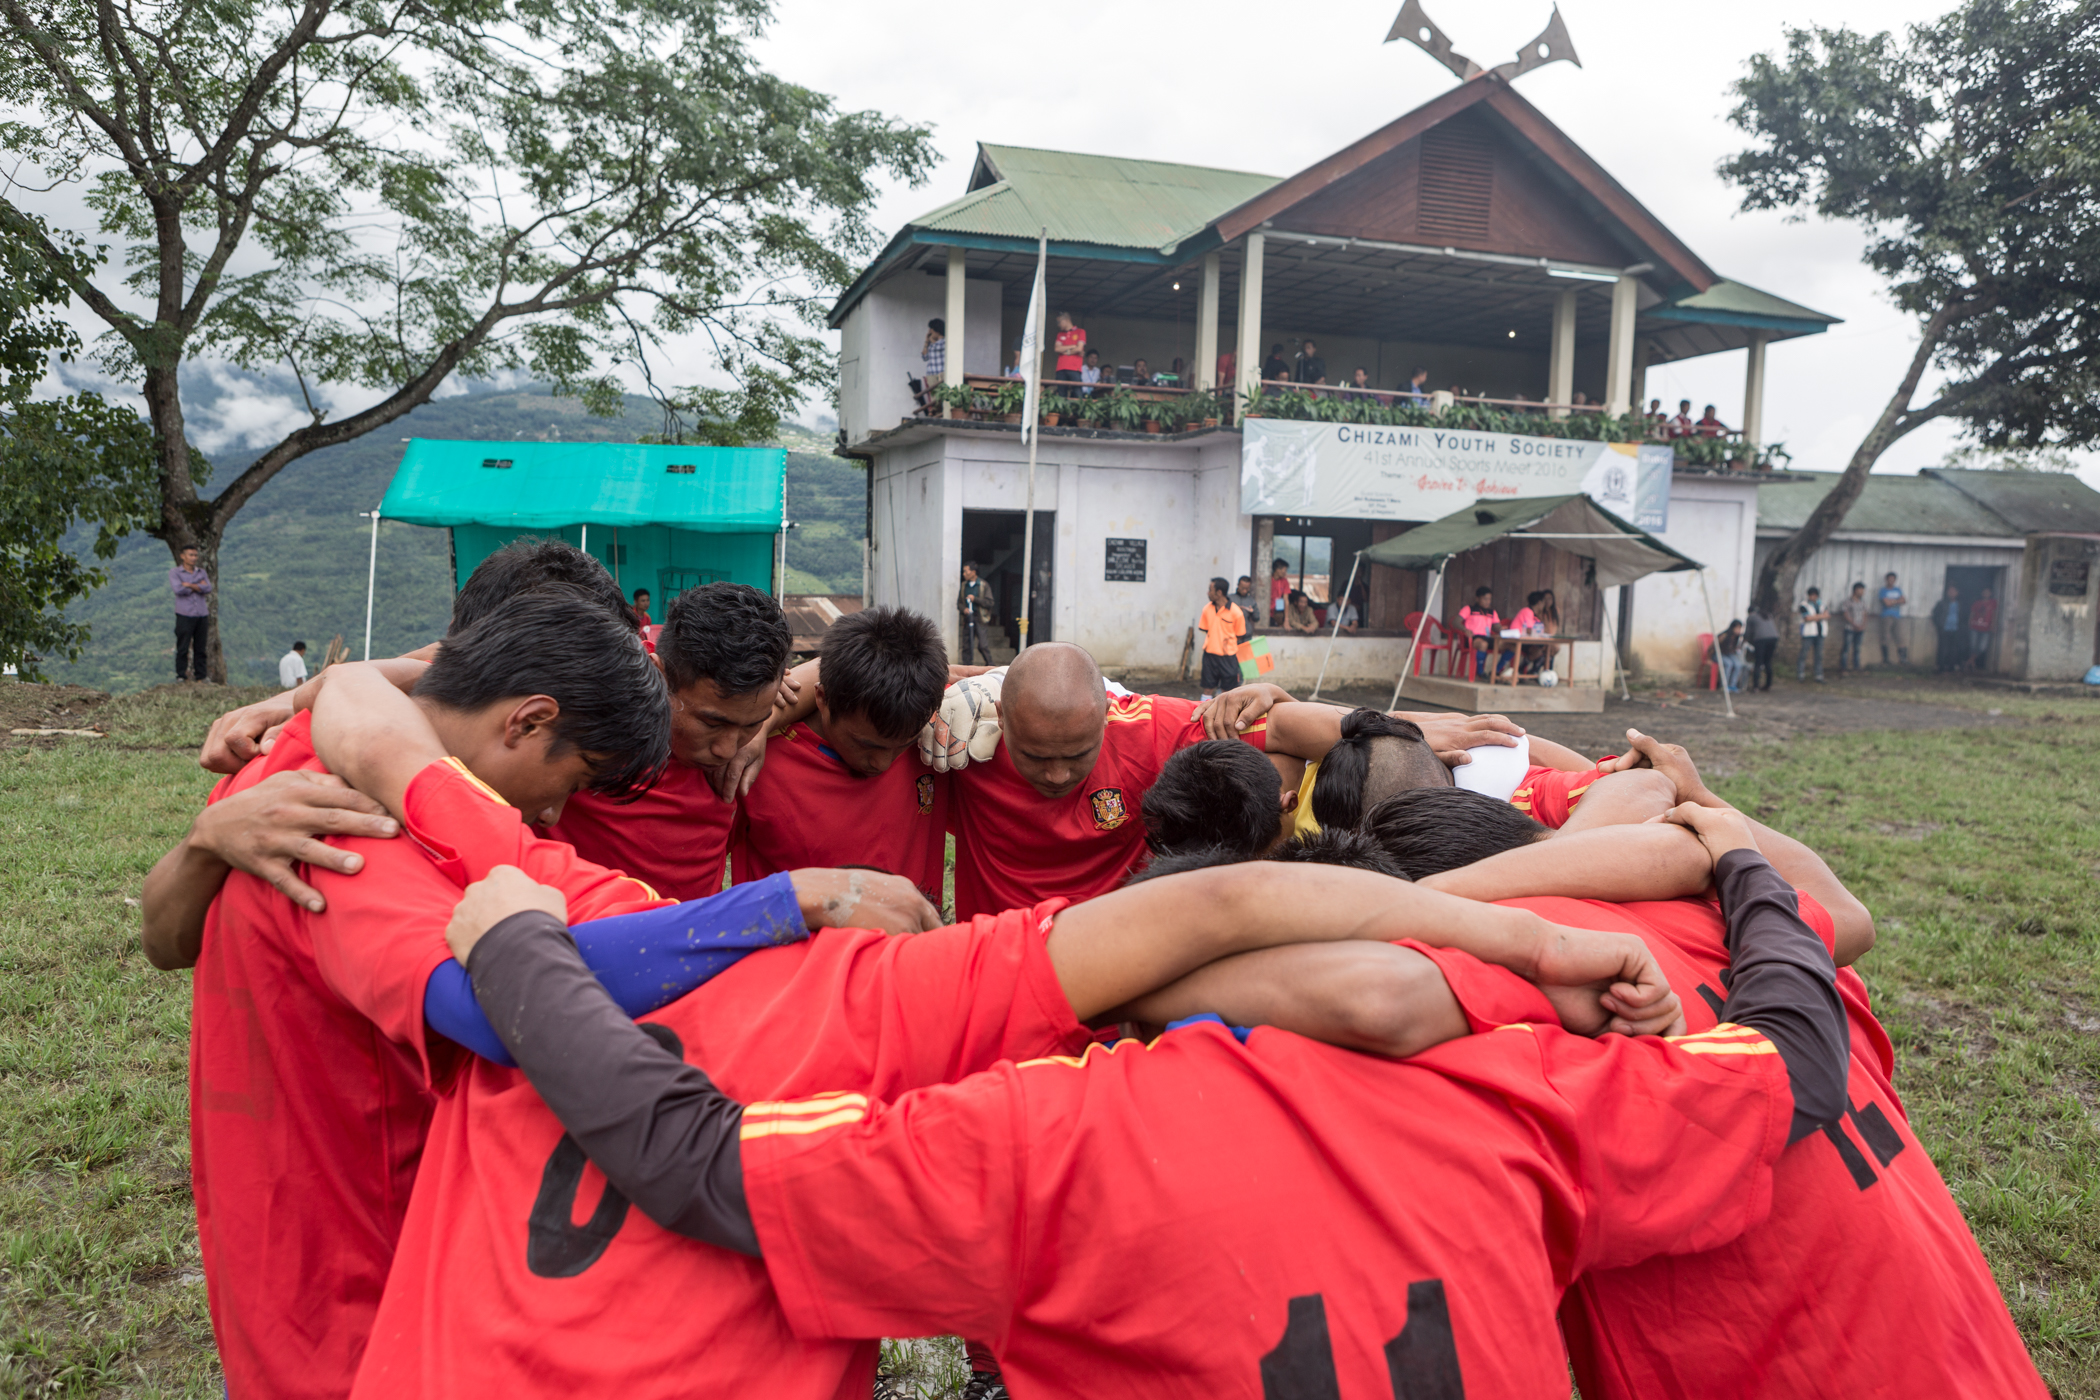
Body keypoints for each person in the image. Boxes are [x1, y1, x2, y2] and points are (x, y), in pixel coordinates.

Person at [441, 807, 1851, 1400]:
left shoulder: (1034, 1135)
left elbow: (691, 1160)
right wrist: (1734, 868)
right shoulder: (1514, 1088)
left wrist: (517, 952)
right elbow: (1793, 1067)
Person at [1196, 577, 1246, 702]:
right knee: (1207, 688)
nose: (1208, 593)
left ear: (1219, 592)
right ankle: (1203, 716)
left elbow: (1239, 634)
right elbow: (1206, 629)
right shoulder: (1207, 609)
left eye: (1210, 590)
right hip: (1210, 655)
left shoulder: (1236, 612)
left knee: (1228, 691)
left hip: (1228, 657)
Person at [170, 545, 213, 682]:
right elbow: (178, 590)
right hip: (184, 614)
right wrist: (198, 586)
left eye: (195, 555)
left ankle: (201, 676)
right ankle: (181, 675)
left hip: (201, 614)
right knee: (183, 646)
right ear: (183, 556)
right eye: (191, 555)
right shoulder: (175, 572)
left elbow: (208, 588)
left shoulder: (201, 572)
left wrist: (188, 585)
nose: (194, 558)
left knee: (200, 647)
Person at [1457, 584, 1503, 678]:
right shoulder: (1469, 609)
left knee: (1511, 646)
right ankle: (1480, 672)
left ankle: (1496, 671)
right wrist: (1465, 630)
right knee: (1483, 644)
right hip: (1472, 638)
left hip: (1487, 637)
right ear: (1477, 599)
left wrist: (1501, 629)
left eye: (1489, 599)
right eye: (1485, 599)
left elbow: (1496, 626)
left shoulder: (1492, 612)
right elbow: (1455, 622)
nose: (1487, 602)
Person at [958, 561, 995, 665]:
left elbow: (990, 602)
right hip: (968, 618)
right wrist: (964, 609)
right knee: (966, 645)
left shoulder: (983, 585)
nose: (964, 574)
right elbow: (959, 603)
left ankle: (990, 665)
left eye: (966, 571)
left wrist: (975, 599)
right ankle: (966, 666)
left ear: (973, 572)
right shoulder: (964, 586)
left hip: (980, 618)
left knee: (983, 645)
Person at [1835, 581, 1870, 673]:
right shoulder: (1847, 602)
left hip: (1860, 629)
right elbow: (1845, 614)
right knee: (1846, 648)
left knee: (1857, 648)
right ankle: (1843, 668)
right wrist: (1854, 624)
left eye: (1863, 590)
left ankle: (1856, 667)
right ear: (1855, 590)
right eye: (1860, 590)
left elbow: (1865, 614)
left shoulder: (1863, 602)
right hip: (1850, 628)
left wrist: (1863, 625)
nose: (1862, 592)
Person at [1796, 586, 1829, 682]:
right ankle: (1800, 674)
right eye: (1811, 595)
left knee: (1819, 655)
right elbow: (1807, 618)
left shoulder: (1822, 604)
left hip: (1820, 633)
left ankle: (1818, 675)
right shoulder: (1804, 605)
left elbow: (1827, 615)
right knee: (1803, 653)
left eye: (1814, 595)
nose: (1813, 597)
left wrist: (1815, 617)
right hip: (1808, 633)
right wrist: (1821, 616)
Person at [1932, 582, 1966, 672]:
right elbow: (1935, 615)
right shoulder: (1941, 603)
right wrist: (1939, 626)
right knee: (1943, 648)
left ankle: (1951, 667)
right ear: (1947, 593)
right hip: (1944, 629)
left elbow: (1964, 617)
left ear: (1957, 593)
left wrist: (1961, 628)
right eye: (1950, 591)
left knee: (1954, 649)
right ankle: (1941, 667)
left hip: (1956, 629)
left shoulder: (1960, 604)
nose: (1951, 593)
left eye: (1953, 591)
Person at [1745, 605, 1780, 692]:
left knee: (1758, 662)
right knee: (1768, 662)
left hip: (1761, 640)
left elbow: (1747, 633)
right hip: (1774, 639)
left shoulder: (1751, 617)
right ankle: (1768, 685)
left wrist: (1744, 641)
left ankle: (1756, 686)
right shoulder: (1767, 615)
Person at [1877, 571, 1908, 665]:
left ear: (1895, 580)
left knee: (1900, 637)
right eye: (1889, 579)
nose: (1891, 581)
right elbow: (1886, 603)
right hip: (1886, 616)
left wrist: (1892, 602)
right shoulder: (1883, 590)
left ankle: (1902, 659)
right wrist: (1897, 601)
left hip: (1897, 616)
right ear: (1886, 580)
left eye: (1892, 579)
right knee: (1885, 637)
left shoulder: (1898, 590)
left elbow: (1904, 600)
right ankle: (1886, 659)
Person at [1967, 585, 1998, 671]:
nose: (1986, 594)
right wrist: (1969, 623)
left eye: (1987, 592)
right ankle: (1971, 662)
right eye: (1984, 592)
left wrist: (1993, 625)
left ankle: (1970, 661)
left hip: (1986, 628)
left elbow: (1994, 615)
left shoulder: (1993, 603)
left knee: (1982, 647)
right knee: (1973, 646)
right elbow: (1972, 614)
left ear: (1990, 593)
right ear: (1982, 593)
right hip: (1975, 626)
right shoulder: (1977, 603)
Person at [1052, 311, 1085, 386]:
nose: (1058, 325)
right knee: (1061, 393)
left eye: (1059, 322)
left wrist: (1066, 352)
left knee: (1077, 391)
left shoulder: (1080, 331)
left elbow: (1079, 348)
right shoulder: (1060, 334)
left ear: (1066, 320)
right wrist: (1073, 346)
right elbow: (1057, 349)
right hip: (1060, 368)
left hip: (1075, 368)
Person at [1716, 619, 1746, 692]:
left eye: (1740, 628)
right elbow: (1713, 647)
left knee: (1738, 664)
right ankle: (1723, 686)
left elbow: (1734, 649)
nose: (1739, 630)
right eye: (1737, 628)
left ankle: (1732, 685)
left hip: (1729, 654)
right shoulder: (1724, 635)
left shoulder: (1737, 637)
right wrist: (1708, 658)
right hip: (1718, 654)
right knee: (1729, 664)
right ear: (1732, 628)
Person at [921, 318, 946, 389]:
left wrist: (931, 339)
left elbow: (938, 347)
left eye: (931, 330)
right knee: (934, 397)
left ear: (936, 330)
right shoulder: (931, 344)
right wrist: (926, 342)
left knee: (943, 396)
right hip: (931, 374)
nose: (929, 332)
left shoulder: (945, 341)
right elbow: (925, 357)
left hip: (942, 373)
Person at [1268, 556, 1290, 625]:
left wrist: (1286, 619)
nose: (1285, 573)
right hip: (1266, 610)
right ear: (1277, 570)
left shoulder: (1284, 581)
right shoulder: (1268, 580)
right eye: (1285, 570)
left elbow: (1286, 600)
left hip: (1278, 610)